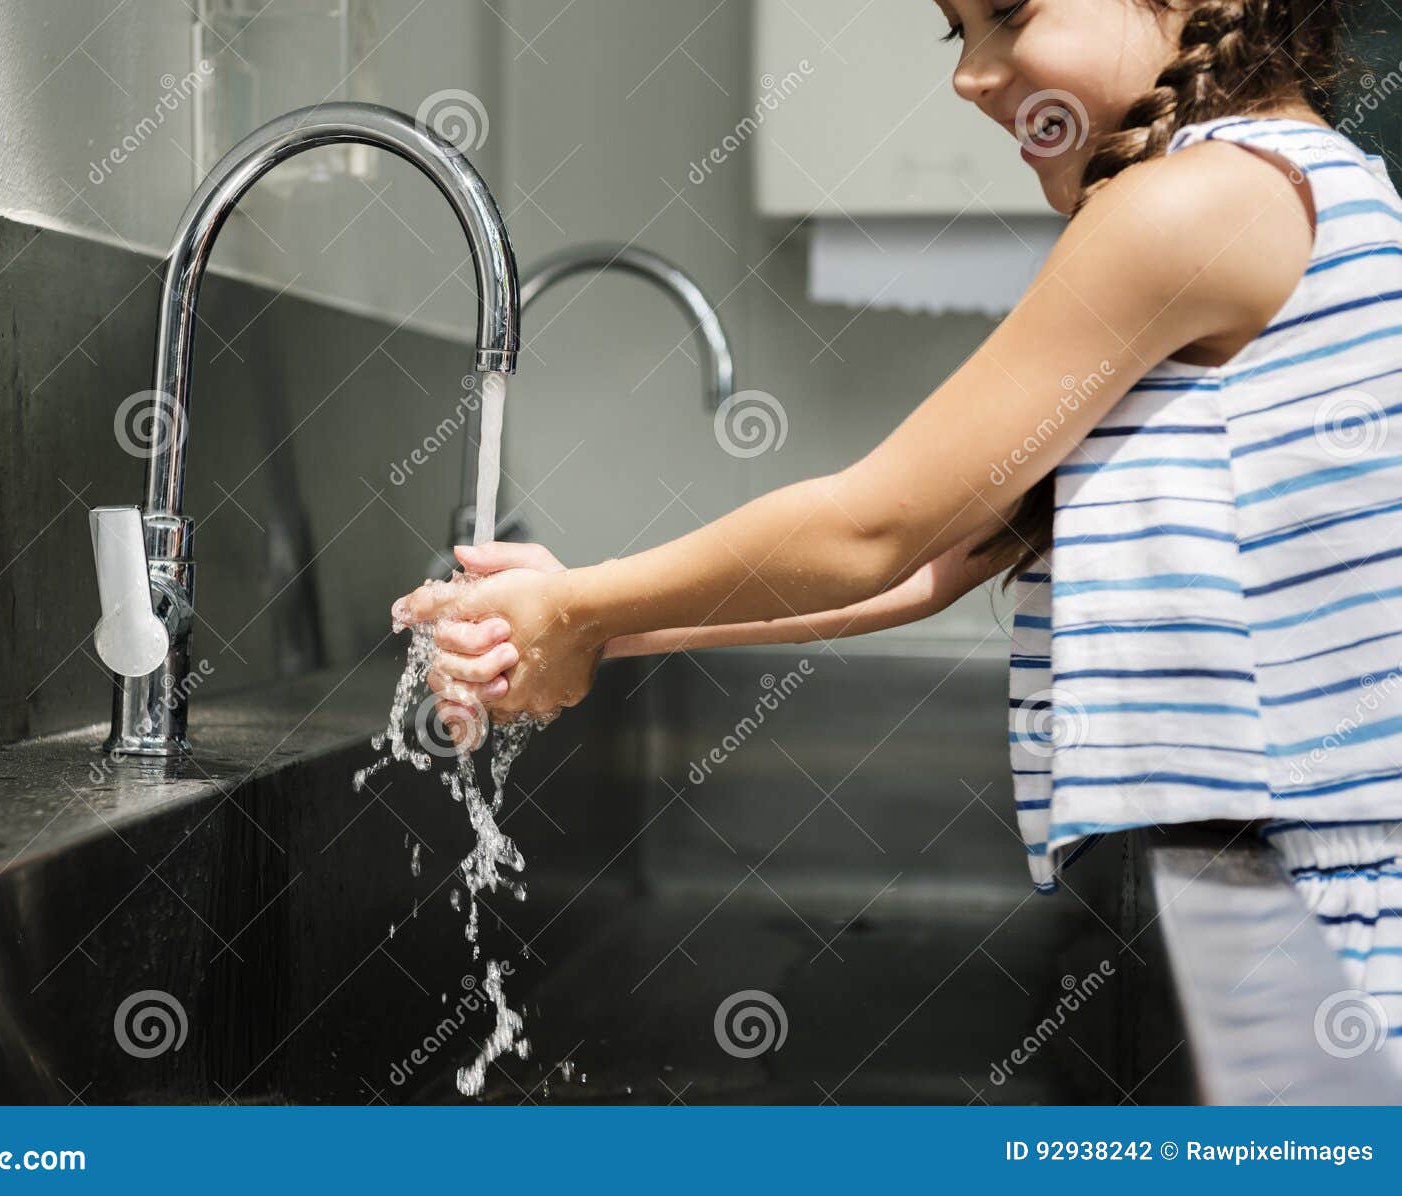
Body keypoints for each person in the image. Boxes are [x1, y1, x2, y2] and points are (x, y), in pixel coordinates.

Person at [398, 1, 1402, 1015]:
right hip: (1317, 899)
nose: (970, 75)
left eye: (1007, 12)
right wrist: (587, 619)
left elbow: (871, 528)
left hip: (1335, 934)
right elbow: (931, 564)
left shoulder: (1190, 205)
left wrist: (578, 612)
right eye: (954, 32)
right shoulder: (1311, 185)